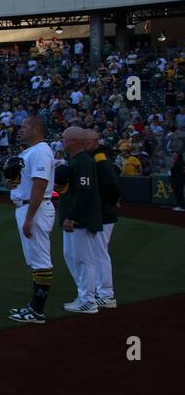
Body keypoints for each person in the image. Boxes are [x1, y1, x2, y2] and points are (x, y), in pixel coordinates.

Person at [6, 115, 57, 323]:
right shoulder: (30, 152)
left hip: (35, 208)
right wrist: (14, 186)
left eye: (25, 126)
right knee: (35, 259)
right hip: (27, 206)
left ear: (36, 128)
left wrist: (29, 218)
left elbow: (40, 185)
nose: (20, 130)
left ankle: (37, 310)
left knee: (40, 260)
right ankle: (34, 307)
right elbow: (27, 182)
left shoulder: (41, 151)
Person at [57, 126, 104, 314]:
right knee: (72, 257)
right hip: (74, 220)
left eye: (64, 137)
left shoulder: (83, 161)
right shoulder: (75, 160)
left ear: (74, 141)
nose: (62, 139)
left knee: (84, 260)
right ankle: (83, 295)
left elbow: (84, 191)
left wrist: (72, 217)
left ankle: (88, 300)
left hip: (80, 220)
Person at [87, 128, 120, 309]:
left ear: (94, 142)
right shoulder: (97, 156)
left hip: (104, 213)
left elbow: (112, 185)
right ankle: (102, 291)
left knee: (99, 253)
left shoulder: (100, 158)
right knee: (97, 253)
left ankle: (107, 294)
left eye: (86, 141)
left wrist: (110, 203)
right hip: (103, 212)